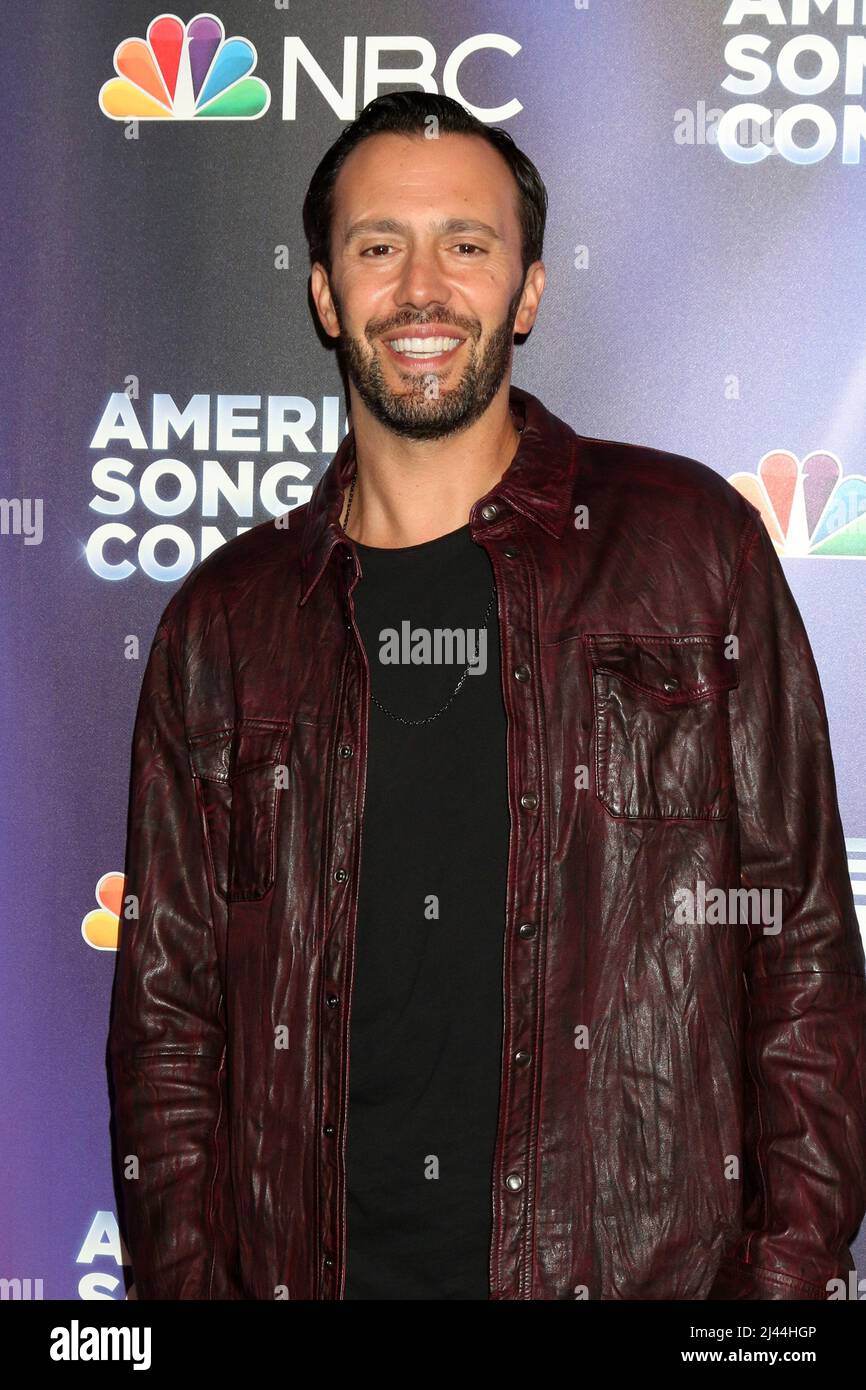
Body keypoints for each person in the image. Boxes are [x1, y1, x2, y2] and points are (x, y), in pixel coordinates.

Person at [108, 90, 866, 1301]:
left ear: (525, 290)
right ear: (323, 292)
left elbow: (799, 956)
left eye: (464, 244)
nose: (420, 289)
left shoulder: (687, 549)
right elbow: (167, 1032)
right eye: (377, 247)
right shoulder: (224, 623)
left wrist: (772, 1306)